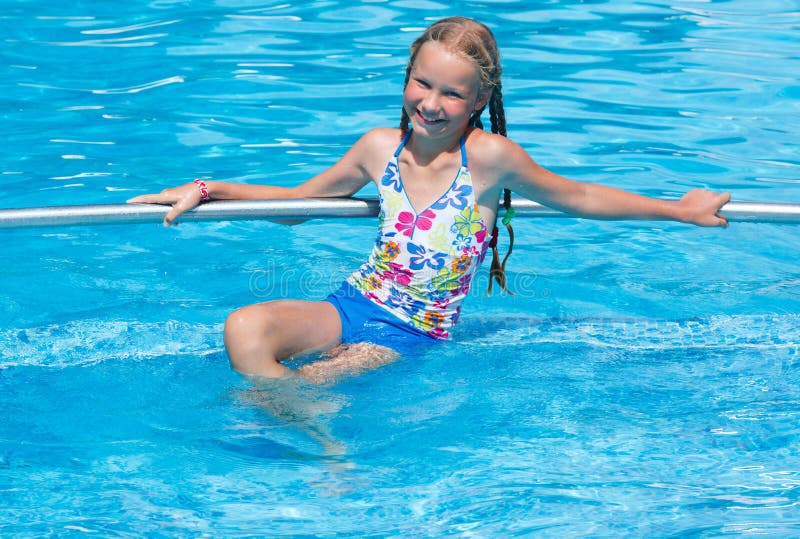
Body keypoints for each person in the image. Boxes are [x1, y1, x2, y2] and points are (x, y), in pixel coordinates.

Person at [128, 17, 730, 381]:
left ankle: (320, 442)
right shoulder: (378, 148)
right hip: (353, 303)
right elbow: (296, 205)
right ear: (406, 77)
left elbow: (578, 198)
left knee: (308, 384)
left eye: (451, 93)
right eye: (422, 82)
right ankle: (312, 430)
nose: (431, 103)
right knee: (246, 328)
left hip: (413, 331)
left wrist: (678, 210)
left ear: (477, 101)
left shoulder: (489, 158)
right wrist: (208, 188)